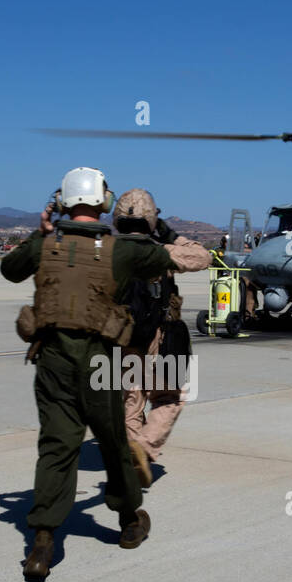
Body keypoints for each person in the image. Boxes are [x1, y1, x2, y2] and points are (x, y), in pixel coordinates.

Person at [0, 167, 173, 580]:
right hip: (102, 361)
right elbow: (161, 258)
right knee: (113, 440)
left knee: (58, 446)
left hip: (53, 358)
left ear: (61, 202)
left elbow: (10, 269)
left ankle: (42, 543)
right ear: (105, 204)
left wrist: (41, 232)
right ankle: (130, 522)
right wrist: (152, 227)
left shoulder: (43, 245)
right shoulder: (122, 250)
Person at [111, 189, 209, 486]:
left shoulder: (108, 250)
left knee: (131, 400)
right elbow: (203, 257)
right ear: (152, 218)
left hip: (121, 338)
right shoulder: (161, 252)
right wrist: (169, 233)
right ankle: (144, 446)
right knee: (171, 397)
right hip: (157, 337)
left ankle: (130, 460)